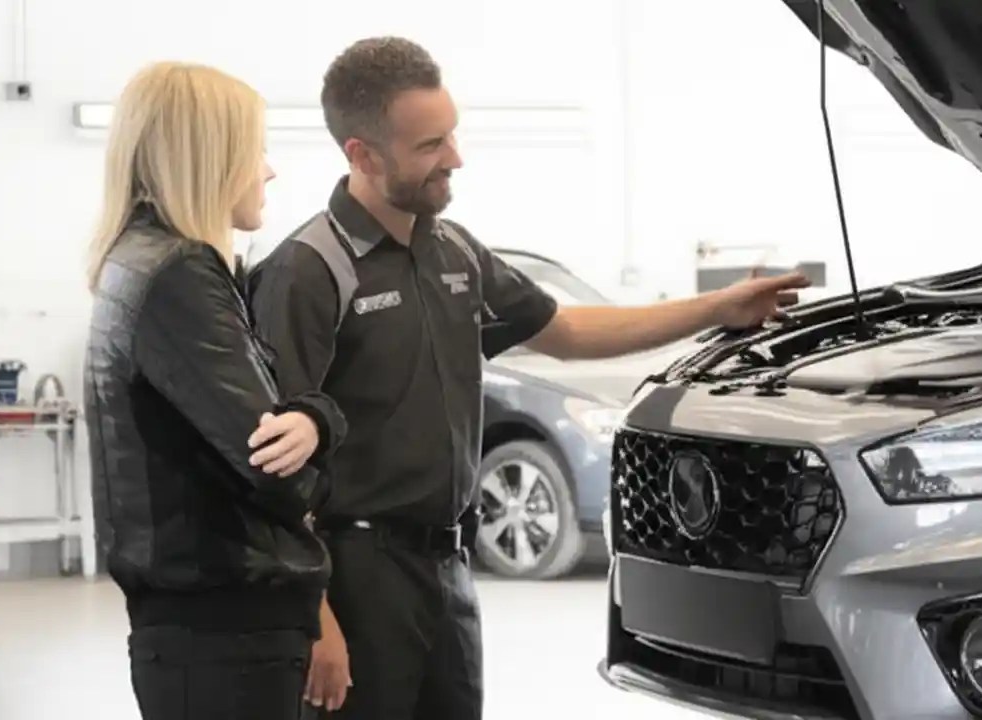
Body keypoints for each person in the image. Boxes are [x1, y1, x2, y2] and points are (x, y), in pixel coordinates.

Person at [245, 36, 808, 719]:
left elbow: (566, 331)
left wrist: (719, 308)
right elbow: (274, 465)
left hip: (449, 568)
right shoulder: (307, 271)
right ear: (361, 155)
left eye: (451, 134)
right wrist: (316, 618)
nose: (455, 157)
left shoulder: (453, 249)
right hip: (358, 574)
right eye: (430, 146)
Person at [83, 60, 348, 720]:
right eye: (254, 149)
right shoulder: (180, 274)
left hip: (190, 629)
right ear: (208, 156)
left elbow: (256, 425)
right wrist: (324, 438)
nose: (268, 168)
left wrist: (313, 417)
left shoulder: (136, 261)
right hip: (228, 635)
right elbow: (274, 471)